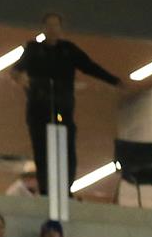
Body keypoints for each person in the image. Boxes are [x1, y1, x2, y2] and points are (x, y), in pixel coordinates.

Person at [11, 13, 118, 197]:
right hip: (39, 107)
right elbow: (16, 70)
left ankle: (66, 187)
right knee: (42, 149)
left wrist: (114, 81)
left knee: (67, 147)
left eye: (56, 26)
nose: (53, 30)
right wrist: (21, 78)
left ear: (61, 29)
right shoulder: (33, 49)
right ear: (43, 29)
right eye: (49, 26)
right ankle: (45, 188)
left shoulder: (68, 50)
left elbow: (90, 66)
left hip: (62, 107)